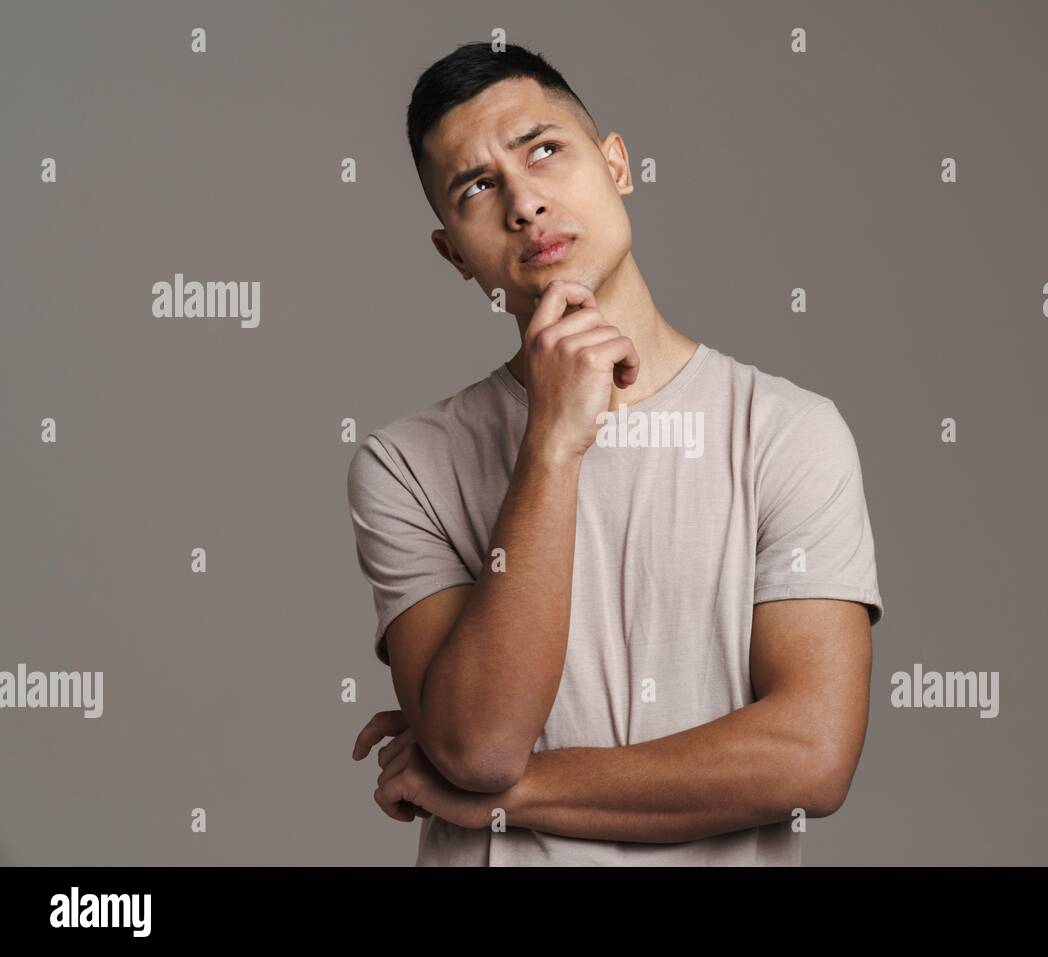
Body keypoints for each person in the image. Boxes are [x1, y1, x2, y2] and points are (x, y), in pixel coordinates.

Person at [346, 40, 884, 865]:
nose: (524, 203)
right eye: (477, 187)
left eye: (543, 150)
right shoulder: (405, 465)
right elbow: (480, 744)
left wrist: (507, 794)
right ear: (453, 254)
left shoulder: (789, 432)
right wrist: (552, 441)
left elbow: (809, 756)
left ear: (617, 165)